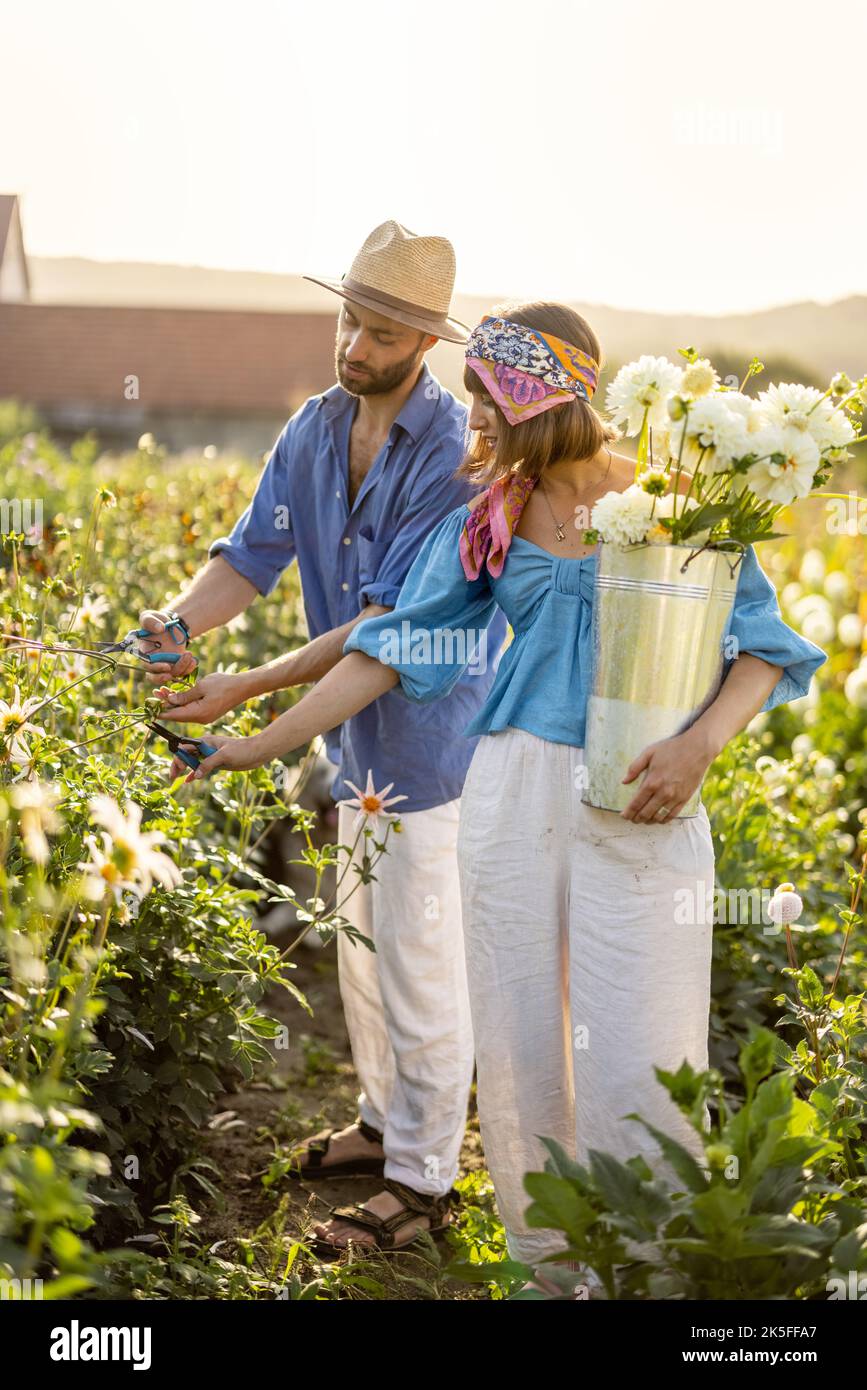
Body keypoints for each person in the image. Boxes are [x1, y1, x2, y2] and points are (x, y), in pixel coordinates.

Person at [159, 302, 827, 1286]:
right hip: (511, 790)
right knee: (519, 1039)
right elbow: (385, 640)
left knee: (640, 1043)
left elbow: (763, 647)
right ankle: (553, 1266)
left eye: (488, 404)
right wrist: (261, 734)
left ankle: (646, 1267)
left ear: (544, 398)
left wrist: (698, 749)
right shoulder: (492, 516)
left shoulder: (684, 502)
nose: (472, 425)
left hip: (642, 796)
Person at [139, 220, 509, 1255]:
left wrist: (246, 706)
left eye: (385, 332)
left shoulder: (453, 454)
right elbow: (249, 556)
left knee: (419, 959)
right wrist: (172, 626)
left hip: (427, 744)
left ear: (425, 341)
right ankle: (384, 1122)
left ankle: (425, 1180)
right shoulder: (311, 428)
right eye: (351, 317)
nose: (358, 344)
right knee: (360, 948)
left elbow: (382, 628)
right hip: (351, 748)